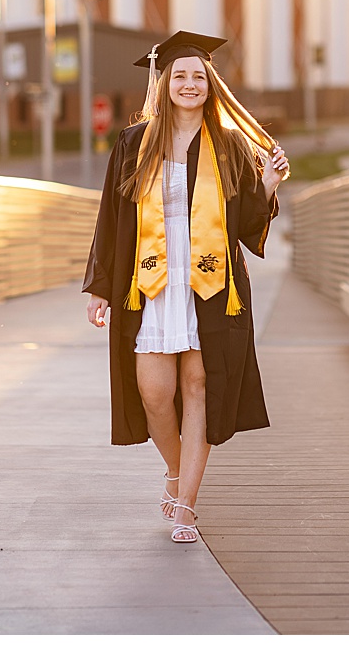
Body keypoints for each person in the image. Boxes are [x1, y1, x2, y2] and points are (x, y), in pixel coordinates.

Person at [83, 31, 290, 544]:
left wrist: (266, 187)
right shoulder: (135, 144)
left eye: (199, 76)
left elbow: (242, 226)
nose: (190, 84)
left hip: (212, 286)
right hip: (149, 284)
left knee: (199, 388)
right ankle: (176, 475)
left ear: (210, 84)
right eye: (181, 76)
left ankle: (187, 507)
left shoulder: (230, 145)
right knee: (156, 395)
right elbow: (111, 219)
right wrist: (100, 287)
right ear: (165, 83)